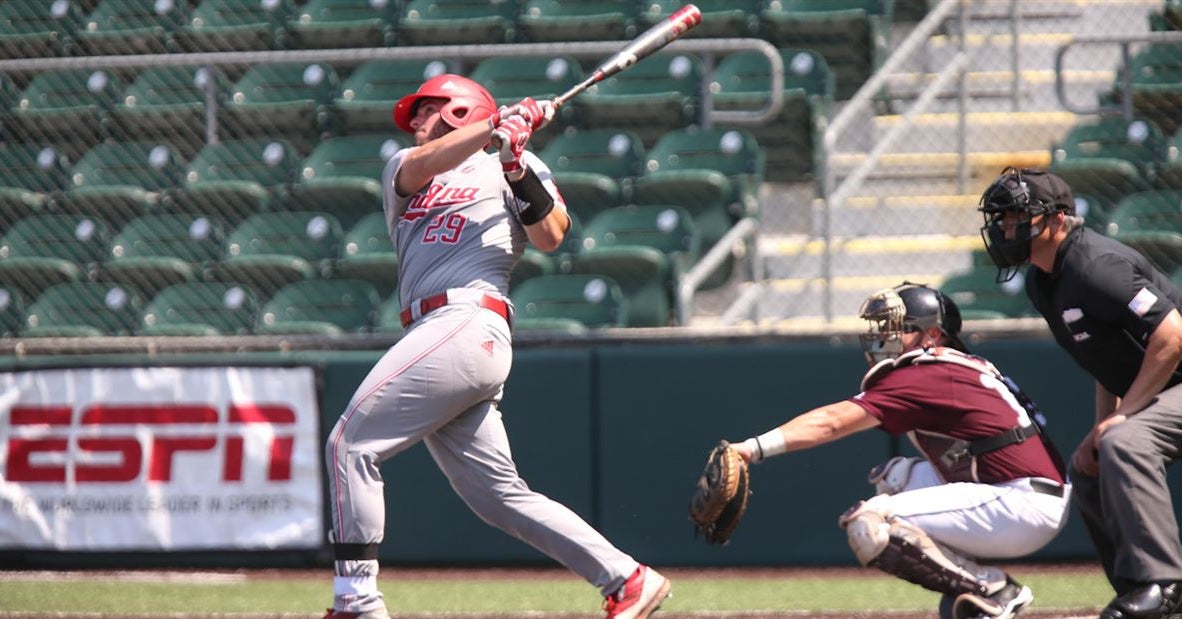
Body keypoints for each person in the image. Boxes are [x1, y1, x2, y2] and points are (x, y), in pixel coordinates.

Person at [321, 74, 671, 619]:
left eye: (426, 110)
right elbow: (423, 162)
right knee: (499, 497)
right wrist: (498, 126)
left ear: (458, 110)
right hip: (434, 334)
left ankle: (356, 603)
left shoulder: (510, 166)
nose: (413, 122)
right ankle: (627, 578)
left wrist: (514, 160)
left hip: (468, 320)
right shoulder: (405, 170)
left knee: (350, 444)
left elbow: (552, 235)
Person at [728, 282, 1070, 619]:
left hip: (1022, 501)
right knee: (895, 476)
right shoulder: (951, 367)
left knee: (870, 522)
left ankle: (992, 590)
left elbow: (832, 421)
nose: (884, 337)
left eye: (900, 328)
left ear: (933, 336)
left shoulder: (929, 371)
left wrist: (751, 449)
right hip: (1022, 490)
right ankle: (972, 584)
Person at [978, 167, 1182, 619]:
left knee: (1123, 441)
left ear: (1056, 219)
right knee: (1089, 466)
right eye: (1004, 218)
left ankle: (1163, 584)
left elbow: (1172, 336)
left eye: (1017, 217)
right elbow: (1106, 363)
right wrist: (1099, 427)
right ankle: (1136, 590)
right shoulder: (1043, 283)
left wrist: (1123, 417)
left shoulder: (1095, 266)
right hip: (1160, 392)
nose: (1006, 228)